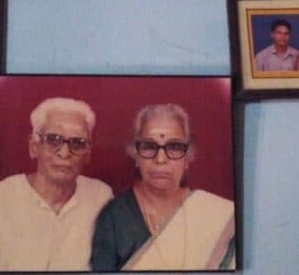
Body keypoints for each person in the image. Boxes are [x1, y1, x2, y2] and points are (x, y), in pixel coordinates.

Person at [91, 104, 235, 271]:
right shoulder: (113, 217)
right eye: (149, 146)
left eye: (174, 147)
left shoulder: (215, 213)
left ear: (187, 158)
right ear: (136, 156)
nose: (160, 159)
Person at [0, 98, 113, 272]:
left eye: (78, 143)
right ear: (34, 147)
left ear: (88, 154)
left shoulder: (100, 197)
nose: (64, 153)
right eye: (53, 140)